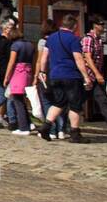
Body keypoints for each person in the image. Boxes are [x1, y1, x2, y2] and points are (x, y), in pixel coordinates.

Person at [37, 13, 91, 144]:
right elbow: (78, 58)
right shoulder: (73, 39)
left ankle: (46, 126)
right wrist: (85, 76)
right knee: (75, 105)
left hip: (55, 75)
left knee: (59, 103)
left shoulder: (51, 38)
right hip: (71, 75)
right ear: (74, 26)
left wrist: (42, 71)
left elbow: (44, 57)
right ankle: (75, 134)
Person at [80, 15, 107, 139]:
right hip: (87, 77)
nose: (103, 27)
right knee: (76, 102)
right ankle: (55, 124)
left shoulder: (99, 40)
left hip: (94, 79)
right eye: (101, 25)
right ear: (95, 26)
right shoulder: (89, 39)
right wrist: (97, 74)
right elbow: (87, 57)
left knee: (104, 102)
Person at [4, 23, 36, 135]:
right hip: (28, 71)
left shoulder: (15, 46)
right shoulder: (30, 45)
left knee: (18, 101)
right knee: (22, 100)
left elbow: (11, 62)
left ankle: (23, 127)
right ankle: (29, 123)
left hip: (18, 73)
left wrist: (7, 77)